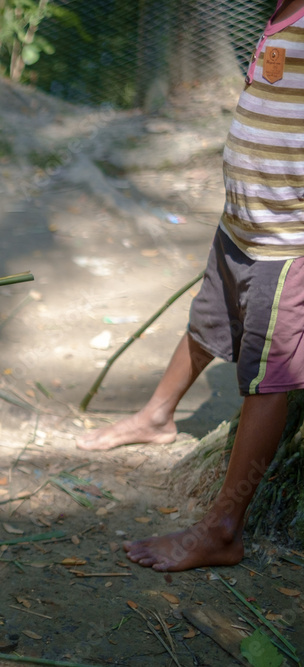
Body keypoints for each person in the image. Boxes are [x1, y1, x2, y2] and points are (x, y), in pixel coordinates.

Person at [77, 0, 304, 572]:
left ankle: (224, 528)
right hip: (242, 225)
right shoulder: (280, 13)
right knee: (209, 322)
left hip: (288, 242)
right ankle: (157, 416)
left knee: (270, 373)